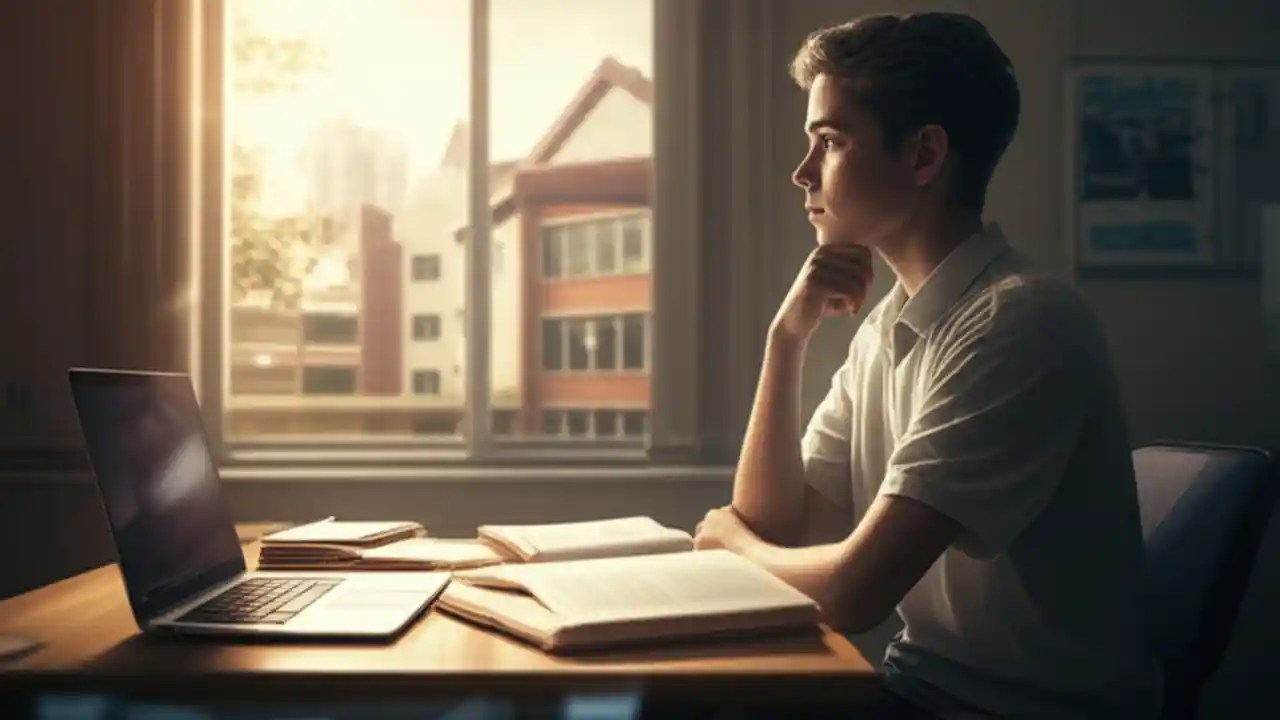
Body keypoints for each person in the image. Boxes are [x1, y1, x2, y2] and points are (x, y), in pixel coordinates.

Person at [692, 12, 1161, 719]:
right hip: (922, 692)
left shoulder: (1018, 324)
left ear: (923, 156)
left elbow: (852, 593)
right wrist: (784, 341)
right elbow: (786, 529)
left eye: (829, 141)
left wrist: (731, 546)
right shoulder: (886, 330)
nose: (802, 172)